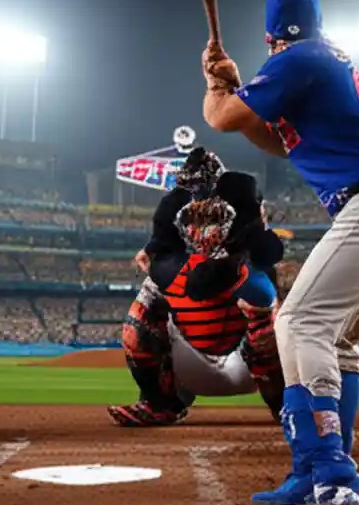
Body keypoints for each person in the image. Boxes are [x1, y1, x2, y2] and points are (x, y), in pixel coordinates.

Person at [200, 0, 359, 505]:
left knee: (299, 322)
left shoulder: (299, 57)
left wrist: (216, 87)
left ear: (271, 39)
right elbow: (276, 140)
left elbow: (220, 119)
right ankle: (319, 469)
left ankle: (328, 468)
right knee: (336, 339)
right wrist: (236, 86)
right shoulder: (320, 56)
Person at [108, 147, 285, 426]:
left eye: (214, 223)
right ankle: (159, 402)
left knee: (271, 320)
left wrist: (233, 261)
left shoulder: (247, 251)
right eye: (195, 224)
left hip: (243, 351)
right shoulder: (170, 251)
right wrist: (158, 253)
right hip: (192, 347)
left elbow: (265, 257)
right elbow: (166, 259)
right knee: (137, 324)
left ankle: (285, 403)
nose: (204, 231)